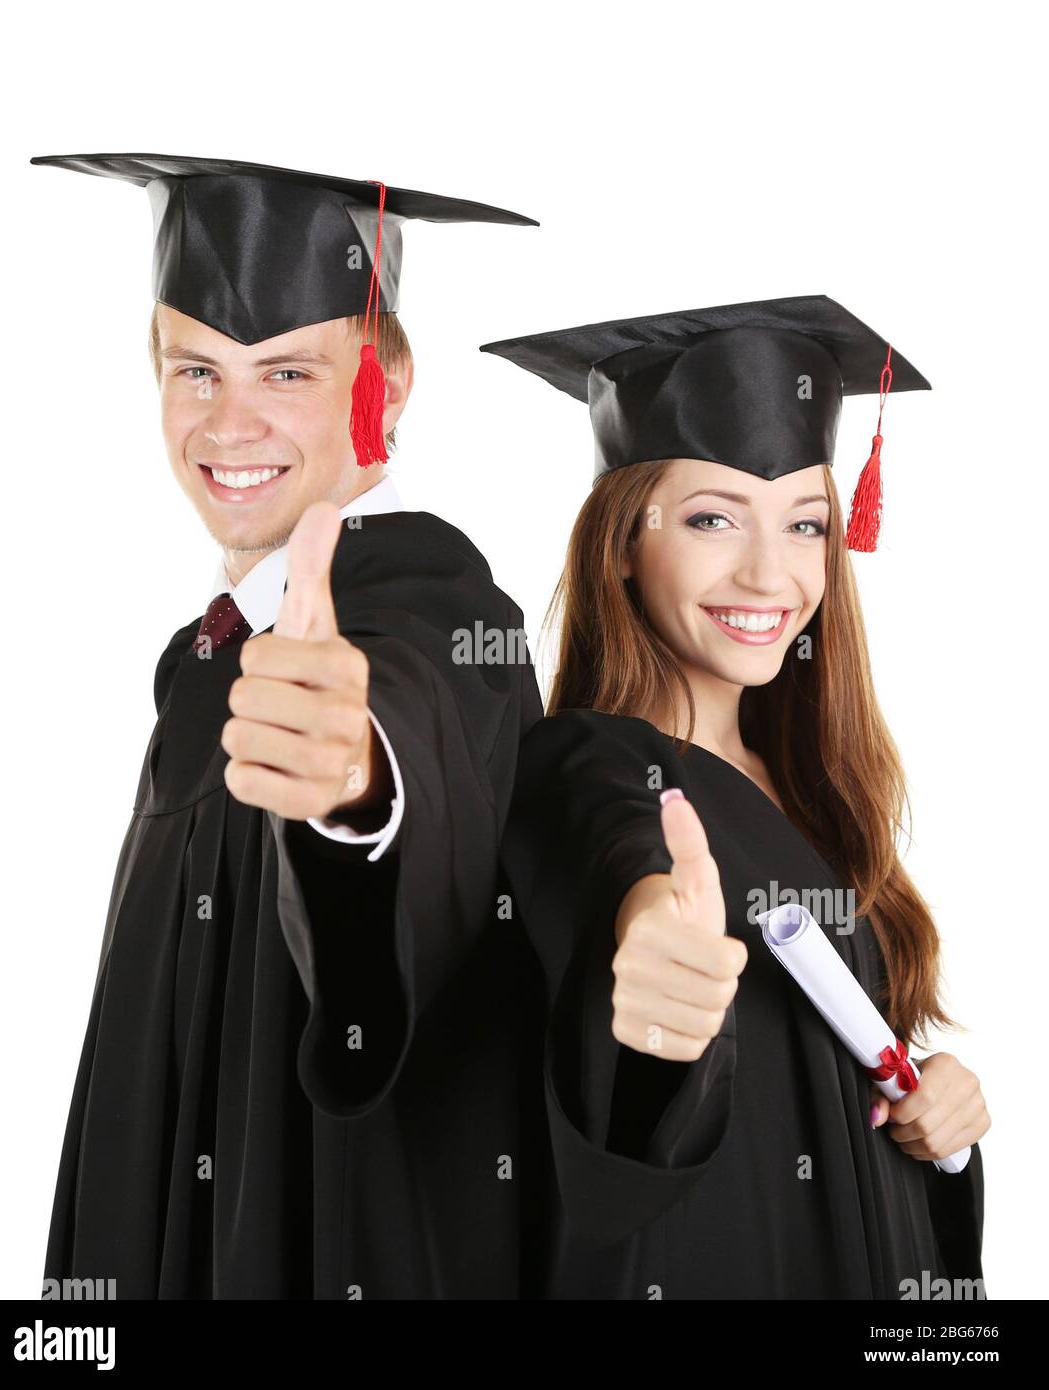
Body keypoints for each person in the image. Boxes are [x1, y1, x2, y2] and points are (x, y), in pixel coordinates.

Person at [34, 152, 547, 1299]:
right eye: (196, 371)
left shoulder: (438, 605)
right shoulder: (203, 658)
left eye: (288, 372)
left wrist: (357, 785)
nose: (231, 422)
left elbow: (410, 740)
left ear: (389, 385)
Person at [484, 295, 990, 1299]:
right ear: (622, 539)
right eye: (711, 518)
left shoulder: (820, 790)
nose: (769, 572)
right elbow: (613, 847)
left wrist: (942, 1124)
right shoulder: (582, 766)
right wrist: (644, 942)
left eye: (804, 524)